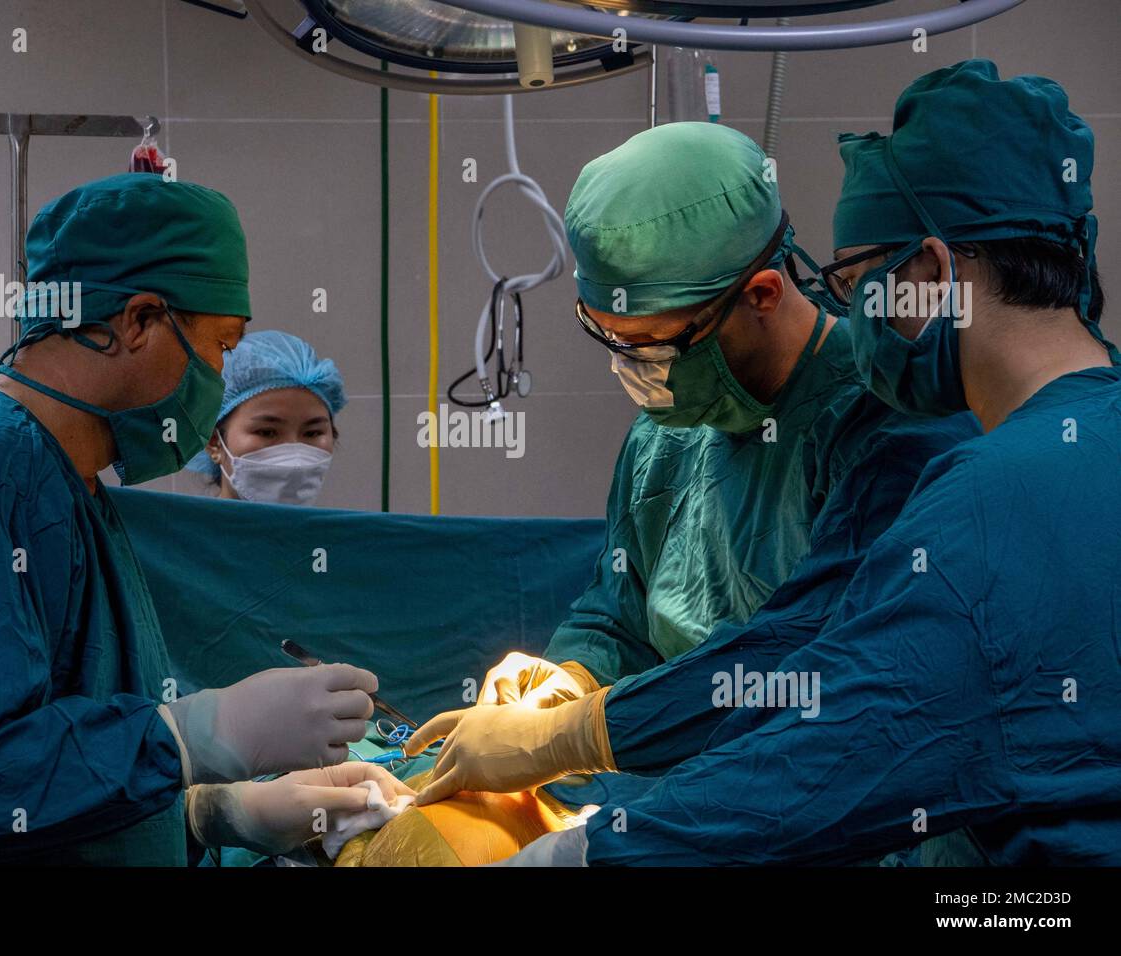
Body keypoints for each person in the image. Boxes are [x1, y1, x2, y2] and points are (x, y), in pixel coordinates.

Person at [498, 59, 1121, 866]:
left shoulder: (973, 488)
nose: (850, 309)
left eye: (859, 281)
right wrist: (569, 689)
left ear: (928, 273)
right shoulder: (1070, 452)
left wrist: (589, 839)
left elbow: (832, 734)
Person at [0, 173, 407, 865]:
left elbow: (56, 773)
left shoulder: (69, 480)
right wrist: (194, 736)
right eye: (220, 345)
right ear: (138, 320)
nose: (219, 374)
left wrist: (213, 813)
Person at [405, 122, 977, 805]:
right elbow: (619, 609)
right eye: (611, 337)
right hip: (670, 796)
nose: (632, 366)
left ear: (763, 293)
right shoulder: (666, 434)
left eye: (653, 342)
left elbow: (806, 658)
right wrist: (567, 676)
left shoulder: (883, 425)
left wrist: (572, 736)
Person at [186, 330, 344, 505]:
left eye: (312, 433)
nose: (295, 455)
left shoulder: (350, 532)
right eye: (267, 432)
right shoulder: (180, 532)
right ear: (214, 442)